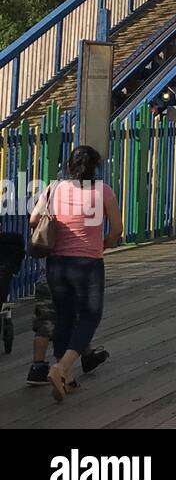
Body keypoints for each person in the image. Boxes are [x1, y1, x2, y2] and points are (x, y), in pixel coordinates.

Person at [29, 146, 123, 402]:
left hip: (56, 263)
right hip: (88, 264)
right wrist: (102, 243)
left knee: (64, 317)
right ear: (95, 167)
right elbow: (116, 230)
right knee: (90, 317)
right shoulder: (103, 191)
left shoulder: (54, 188)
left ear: (69, 165)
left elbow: (34, 219)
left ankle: (66, 378)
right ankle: (61, 367)